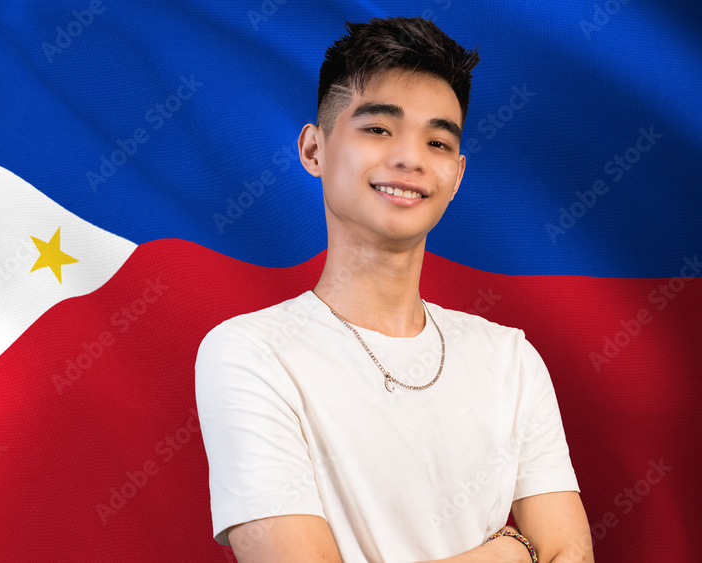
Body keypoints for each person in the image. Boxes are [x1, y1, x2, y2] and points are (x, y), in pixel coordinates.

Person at [194, 17, 593, 563]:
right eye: (379, 129)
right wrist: (511, 553)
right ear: (315, 150)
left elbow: (572, 555)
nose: (410, 158)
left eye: (437, 140)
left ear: (456, 175)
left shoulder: (512, 358)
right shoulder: (249, 351)